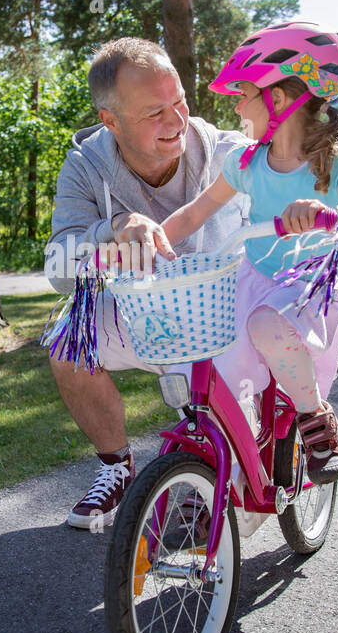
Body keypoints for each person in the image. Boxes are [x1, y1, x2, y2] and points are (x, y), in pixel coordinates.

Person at [160, 19, 338, 481]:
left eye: (244, 94)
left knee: (267, 325)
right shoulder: (245, 161)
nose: (237, 107)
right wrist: (149, 243)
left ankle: (314, 418)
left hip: (307, 288)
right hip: (253, 278)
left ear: (278, 99)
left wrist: (333, 217)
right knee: (203, 358)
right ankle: (212, 472)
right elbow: (192, 215)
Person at [45, 38, 249, 528]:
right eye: (155, 112)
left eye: (178, 100)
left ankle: (215, 475)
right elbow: (57, 267)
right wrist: (112, 229)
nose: (176, 120)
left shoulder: (231, 155)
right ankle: (117, 466)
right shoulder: (86, 165)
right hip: (147, 315)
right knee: (66, 344)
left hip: (225, 320)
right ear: (109, 120)